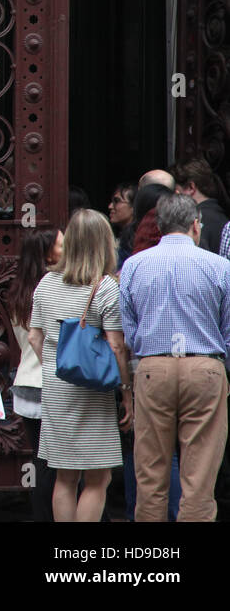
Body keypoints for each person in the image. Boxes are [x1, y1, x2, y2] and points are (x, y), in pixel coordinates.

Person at [121, 193, 230, 521]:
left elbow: (130, 331)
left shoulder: (134, 265)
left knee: (150, 475)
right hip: (205, 366)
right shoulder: (220, 266)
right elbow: (228, 328)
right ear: (196, 224)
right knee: (200, 478)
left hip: (153, 367)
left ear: (159, 225)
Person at [27, 210, 132, 522]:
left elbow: (35, 336)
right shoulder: (105, 287)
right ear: (103, 244)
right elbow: (115, 345)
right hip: (93, 389)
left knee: (65, 477)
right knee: (99, 479)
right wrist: (126, 392)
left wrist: (56, 367)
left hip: (57, 386)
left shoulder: (46, 282)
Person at [5, 226, 61, 522]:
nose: (68, 249)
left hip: (25, 383)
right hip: (49, 383)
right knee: (55, 465)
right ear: (48, 254)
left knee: (42, 461)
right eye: (62, 245)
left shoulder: (19, 293)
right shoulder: (52, 290)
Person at [172, 157, 229, 253]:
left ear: (191, 187)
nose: (174, 197)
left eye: (176, 191)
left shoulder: (194, 220)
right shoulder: (222, 217)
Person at [109, 182, 136, 263]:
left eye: (117, 201)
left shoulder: (135, 242)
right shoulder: (116, 236)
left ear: (133, 207)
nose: (110, 206)